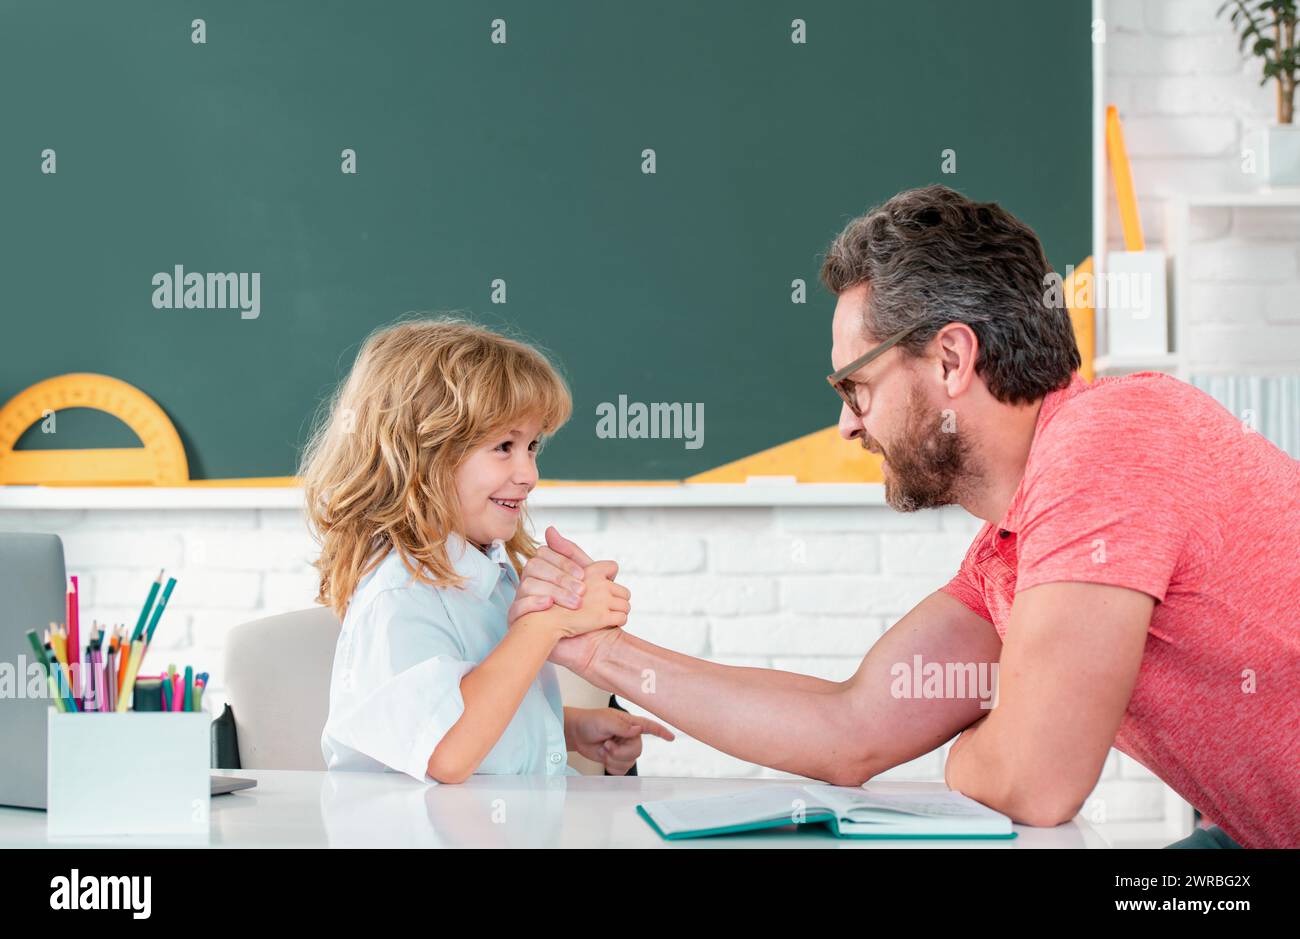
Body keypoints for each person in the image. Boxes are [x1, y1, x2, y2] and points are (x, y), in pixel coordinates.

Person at [529, 185, 1299, 848]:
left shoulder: (1112, 442)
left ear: (952, 360)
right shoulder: (1013, 550)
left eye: (854, 388)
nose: (848, 427)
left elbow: (1034, 780)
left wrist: (970, 754)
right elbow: (851, 728)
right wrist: (600, 653)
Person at [302, 318, 672, 784]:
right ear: (422, 454)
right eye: (504, 446)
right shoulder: (399, 595)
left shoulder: (489, 576)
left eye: (533, 446)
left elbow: (474, 706)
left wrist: (570, 729)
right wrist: (544, 625)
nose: (529, 473)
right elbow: (444, 753)